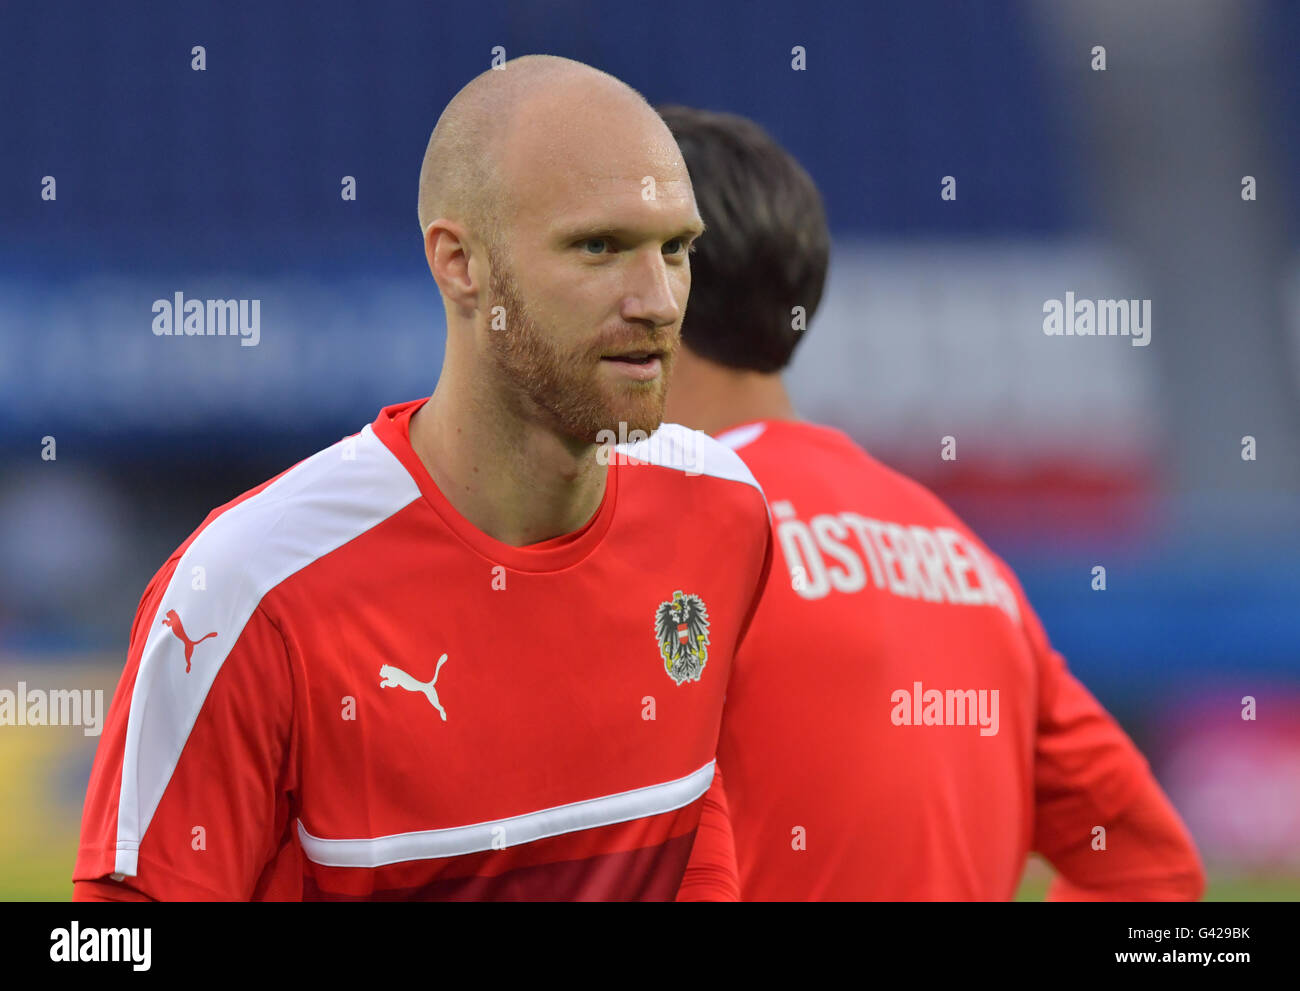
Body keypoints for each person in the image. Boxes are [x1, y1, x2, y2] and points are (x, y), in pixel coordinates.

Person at [72, 57, 772, 901]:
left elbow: (689, 815)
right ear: (460, 264)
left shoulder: (722, 511)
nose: (658, 300)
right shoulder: (246, 589)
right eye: (601, 247)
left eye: (677, 249)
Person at [660, 104, 1205, 901]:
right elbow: (1151, 868)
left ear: (663, 283)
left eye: (599, 248)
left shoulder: (665, 533)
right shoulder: (965, 556)